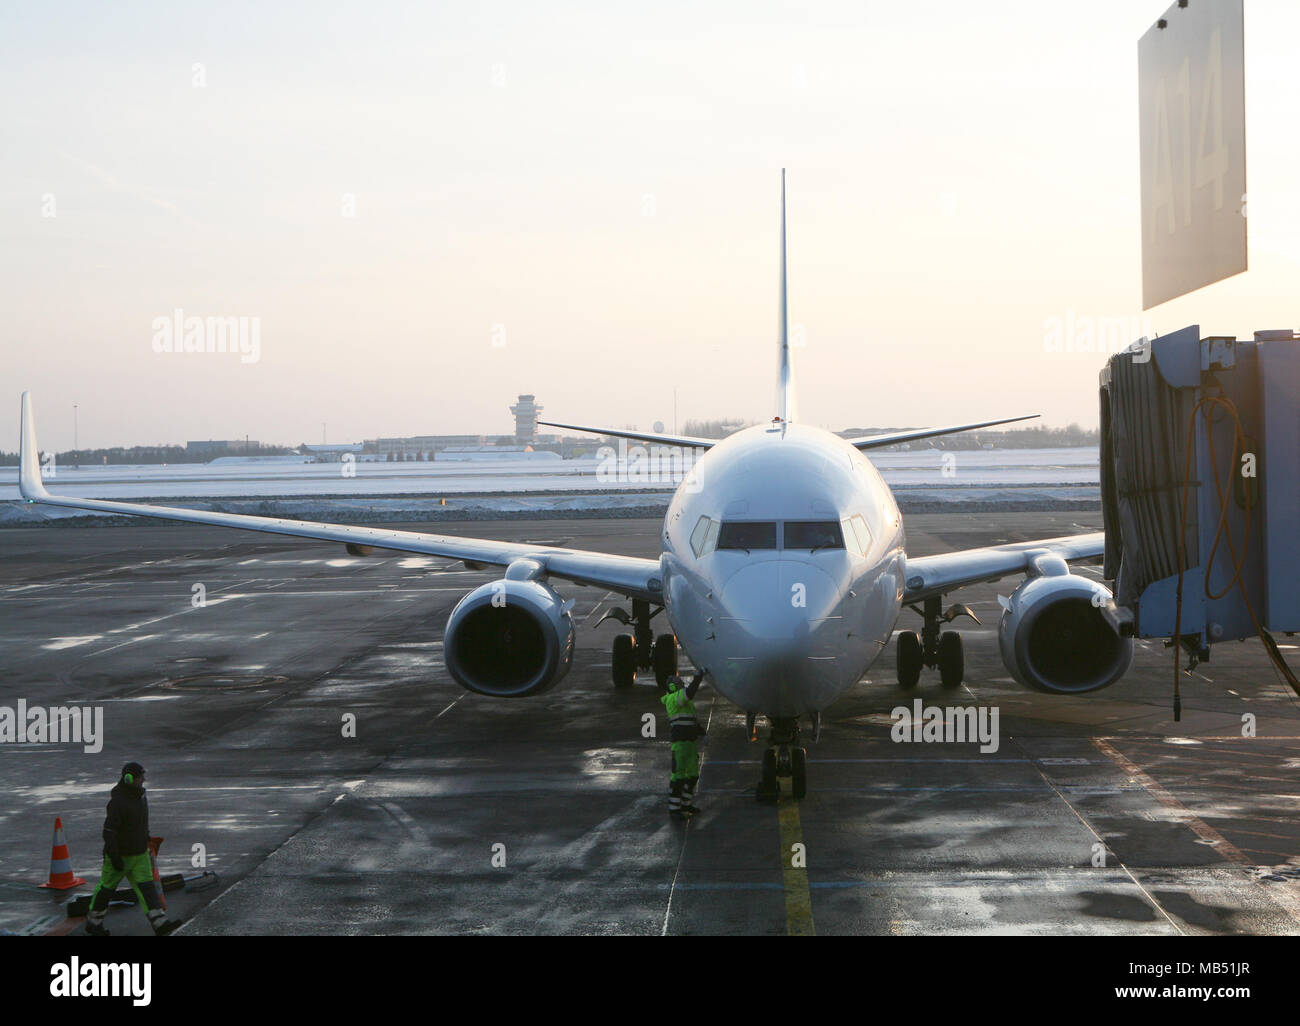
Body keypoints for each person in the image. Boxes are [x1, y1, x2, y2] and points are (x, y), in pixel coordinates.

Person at [85, 762, 180, 937]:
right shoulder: (118, 802)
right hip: (120, 856)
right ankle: (93, 923)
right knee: (106, 890)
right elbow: (109, 831)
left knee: (147, 889)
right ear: (129, 779)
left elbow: (142, 823)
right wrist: (114, 856)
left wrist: (147, 840)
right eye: (140, 776)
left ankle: (160, 923)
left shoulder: (140, 797)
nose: (144, 779)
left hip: (139, 854)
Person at [661, 672, 705, 819]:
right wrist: (698, 678)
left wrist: (699, 730)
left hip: (690, 743)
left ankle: (686, 804)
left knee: (692, 775)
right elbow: (690, 692)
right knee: (678, 777)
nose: (682, 687)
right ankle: (674, 809)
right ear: (673, 687)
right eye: (679, 685)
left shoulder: (685, 703)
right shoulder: (674, 699)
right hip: (680, 745)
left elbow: (690, 718)